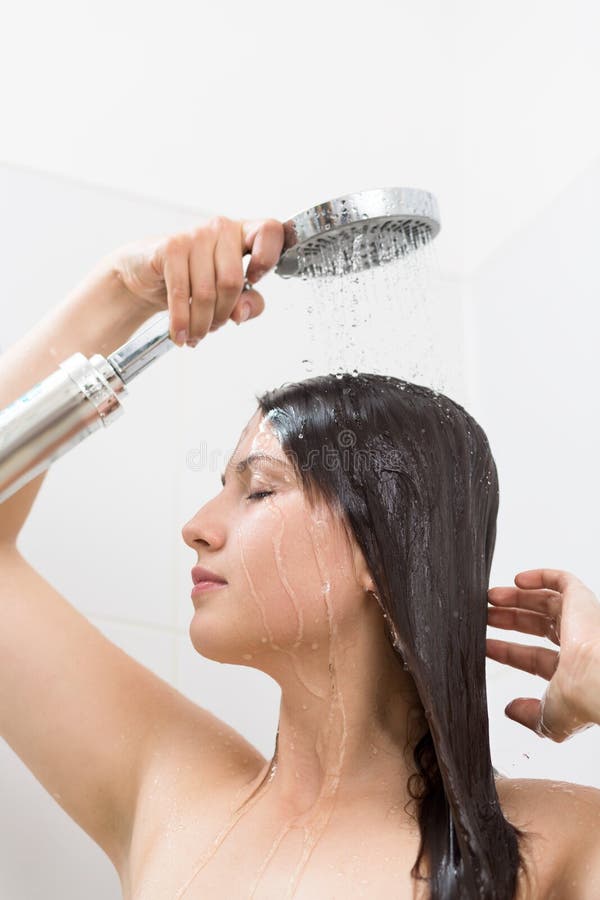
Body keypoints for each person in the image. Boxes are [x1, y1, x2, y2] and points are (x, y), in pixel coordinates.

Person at [0, 215, 599, 899]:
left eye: (258, 490)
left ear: (388, 546)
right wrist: (119, 291)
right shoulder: (168, 794)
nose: (196, 528)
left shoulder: (554, 844)